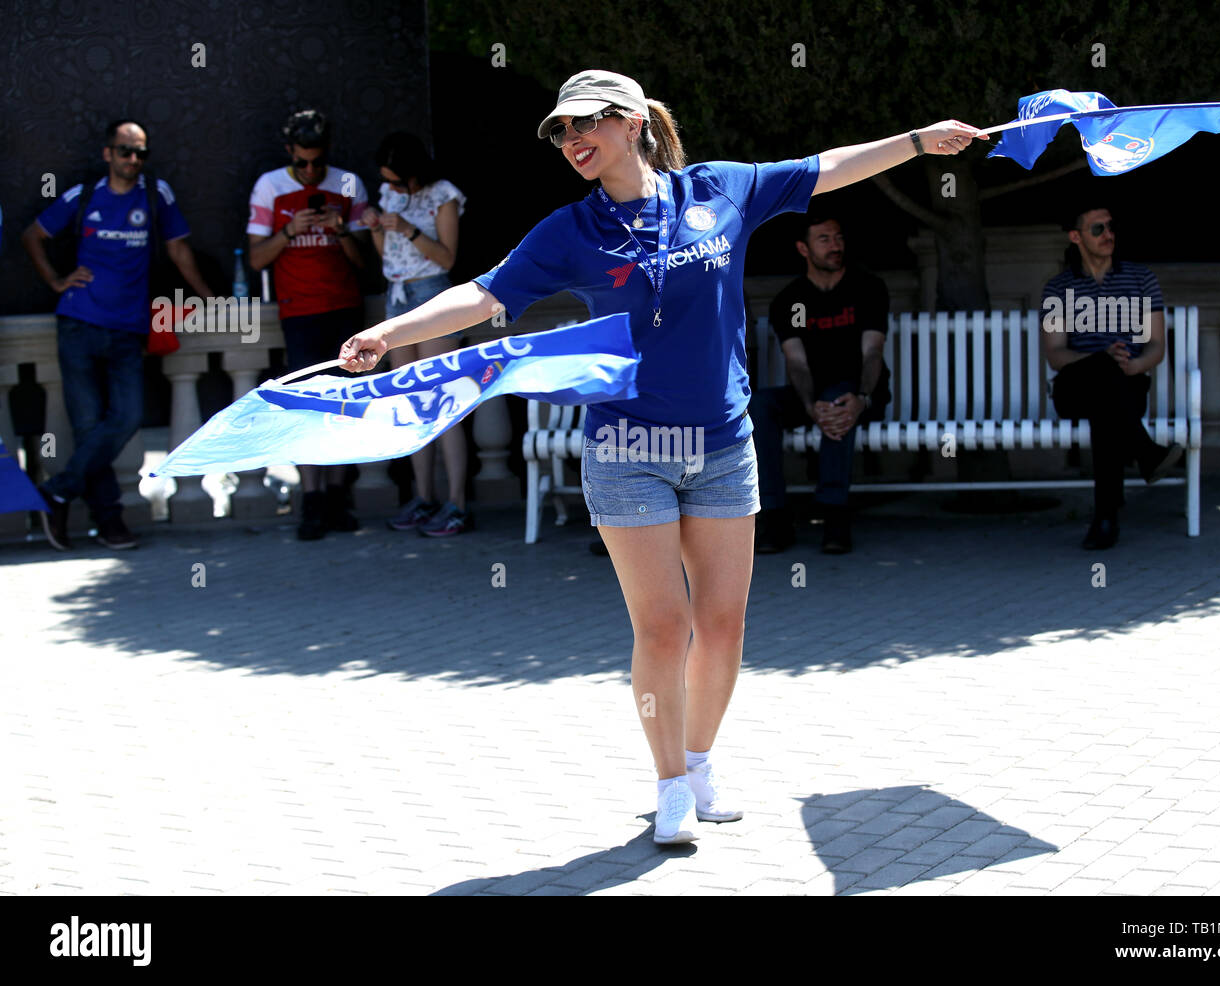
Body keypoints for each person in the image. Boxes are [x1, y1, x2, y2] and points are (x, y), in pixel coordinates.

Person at [337, 70, 984, 845]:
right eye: (562, 133)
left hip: (720, 443)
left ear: (632, 121)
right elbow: (484, 295)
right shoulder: (571, 230)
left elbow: (830, 166)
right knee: (664, 627)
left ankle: (701, 761)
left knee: (724, 624)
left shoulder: (722, 191)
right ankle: (670, 781)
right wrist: (387, 335)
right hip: (626, 447)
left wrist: (919, 142)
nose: (572, 141)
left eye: (585, 125)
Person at [22, 119, 213, 551]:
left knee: (126, 418)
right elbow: (32, 235)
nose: (133, 160)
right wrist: (55, 280)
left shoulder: (155, 193)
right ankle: (109, 522)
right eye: (125, 151)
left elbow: (179, 251)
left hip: (128, 328)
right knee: (89, 427)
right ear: (108, 153)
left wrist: (212, 300)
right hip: (78, 323)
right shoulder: (83, 195)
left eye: (141, 153)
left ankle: (58, 491)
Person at [247, 109, 369, 540]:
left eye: (319, 162)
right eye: (302, 163)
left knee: (344, 403)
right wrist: (287, 232)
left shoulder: (348, 183)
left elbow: (365, 262)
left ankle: (338, 496)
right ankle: (312, 499)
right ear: (289, 154)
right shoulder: (269, 186)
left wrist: (340, 233)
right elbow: (256, 258)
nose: (312, 171)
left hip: (345, 308)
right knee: (306, 406)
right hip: (298, 311)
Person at [1041, 205, 1183, 550]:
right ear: (1076, 237)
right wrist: (1100, 359)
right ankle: (1145, 455)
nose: (1108, 234)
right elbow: (1056, 355)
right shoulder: (1058, 288)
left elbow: (1156, 346)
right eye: (1097, 229)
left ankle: (1106, 520)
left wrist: (1134, 365)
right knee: (1103, 380)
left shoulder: (1140, 278)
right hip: (1076, 387)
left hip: (1128, 382)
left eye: (1111, 227)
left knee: (1107, 408)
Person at [751, 214, 891, 554]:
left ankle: (834, 514)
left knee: (838, 400)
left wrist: (861, 396)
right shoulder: (790, 300)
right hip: (811, 395)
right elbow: (796, 362)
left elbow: (872, 353)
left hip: (863, 395)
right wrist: (811, 405)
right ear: (803, 248)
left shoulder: (868, 287)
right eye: (824, 239)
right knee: (760, 406)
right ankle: (774, 515)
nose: (835, 246)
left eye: (838, 237)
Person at [360, 132, 471, 537]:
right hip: (398, 293)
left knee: (442, 399)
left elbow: (446, 258)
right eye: (384, 181)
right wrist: (377, 228)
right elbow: (386, 255)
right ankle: (424, 498)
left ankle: (457, 503)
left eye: (394, 180)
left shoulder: (443, 194)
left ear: (412, 174)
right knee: (409, 402)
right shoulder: (389, 194)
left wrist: (406, 229)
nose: (388, 187)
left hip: (431, 293)